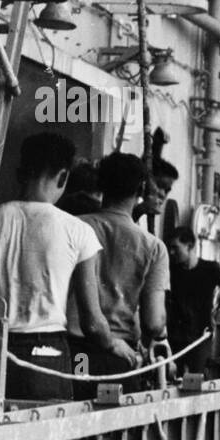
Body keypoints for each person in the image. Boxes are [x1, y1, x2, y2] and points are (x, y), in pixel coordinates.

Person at [0, 133, 139, 408]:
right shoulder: (78, 231)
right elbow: (92, 322)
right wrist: (114, 344)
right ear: (63, 177)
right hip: (49, 358)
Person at [67, 152, 171, 396]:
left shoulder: (72, 226)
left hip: (74, 354)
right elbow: (154, 322)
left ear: (100, 183)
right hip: (119, 357)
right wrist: (162, 335)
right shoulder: (153, 247)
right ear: (142, 188)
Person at [166, 226, 220, 374]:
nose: (171, 252)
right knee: (171, 377)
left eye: (175, 248)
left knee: (198, 376)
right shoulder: (171, 270)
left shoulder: (211, 269)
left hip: (201, 335)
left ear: (189, 246)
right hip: (176, 337)